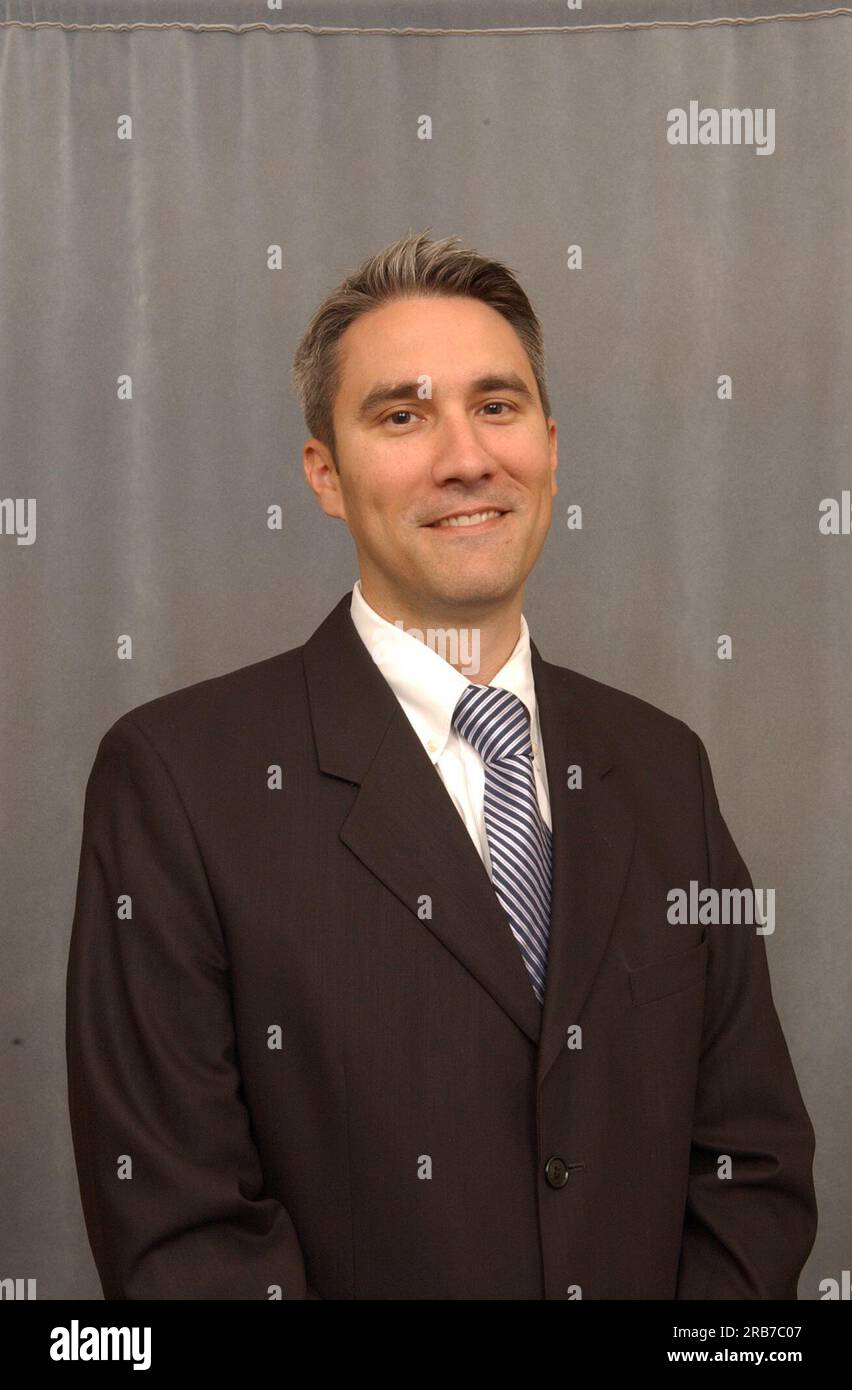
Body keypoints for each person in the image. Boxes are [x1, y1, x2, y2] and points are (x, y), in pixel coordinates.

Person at [66, 229, 817, 1299]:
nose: (466, 457)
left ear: (549, 447)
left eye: (496, 406)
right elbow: (181, 1235)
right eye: (403, 416)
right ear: (324, 474)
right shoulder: (178, 783)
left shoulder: (662, 769)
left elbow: (752, 1171)